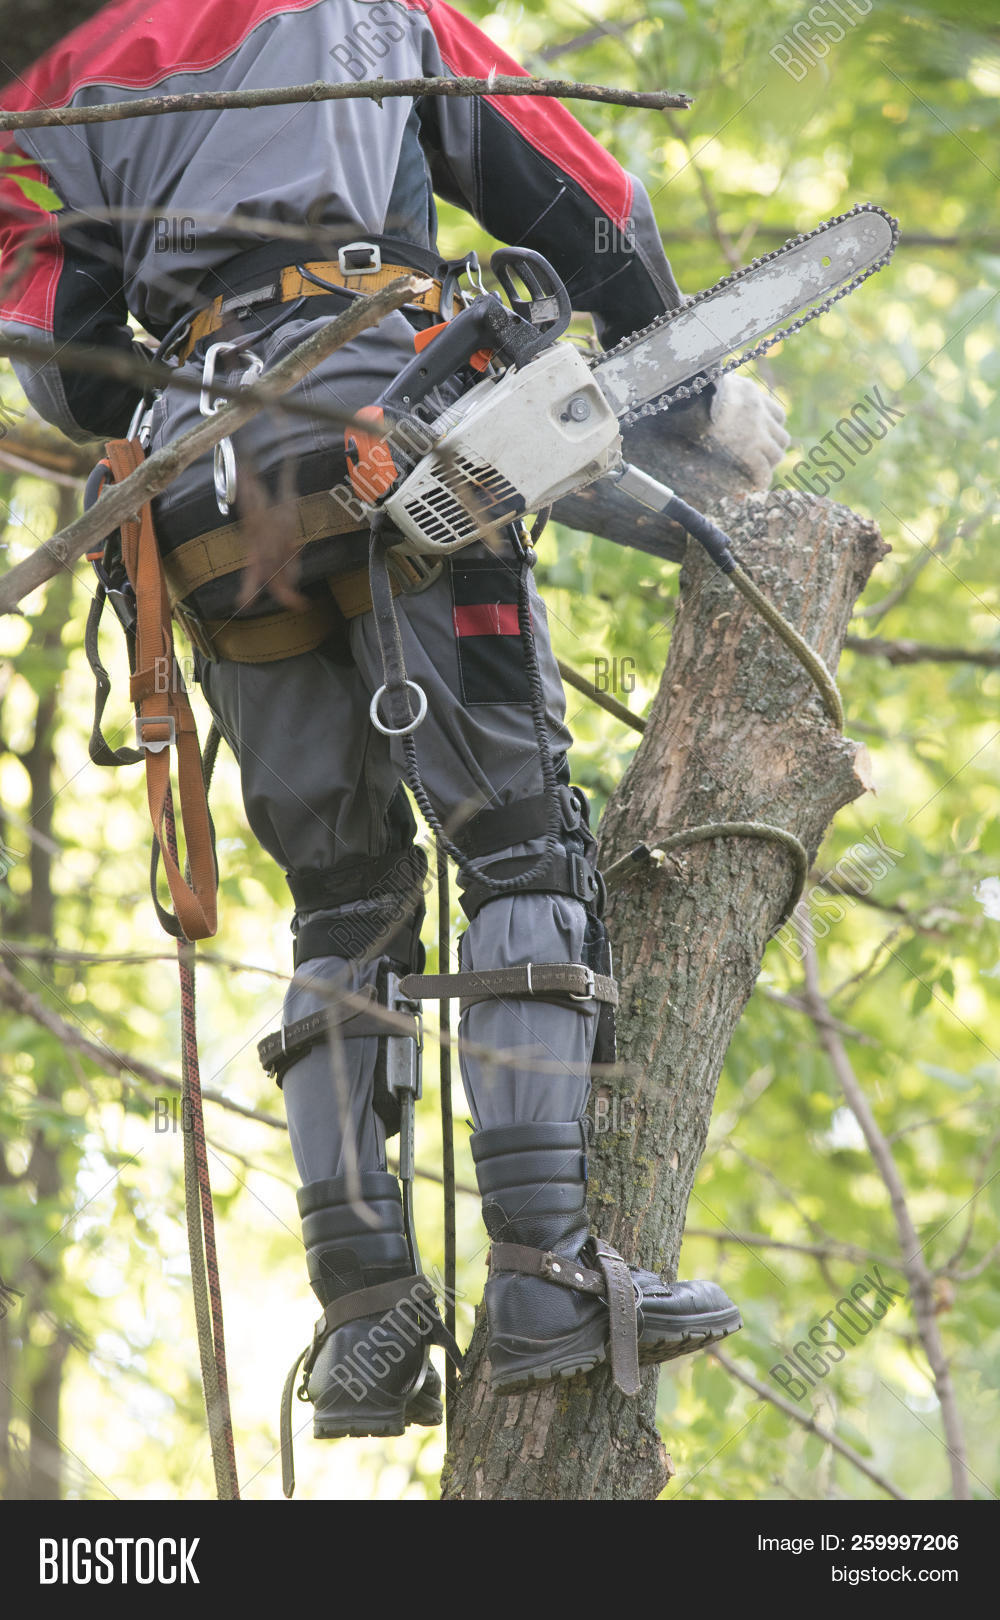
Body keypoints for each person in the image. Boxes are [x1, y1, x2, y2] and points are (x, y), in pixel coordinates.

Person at [1, 0, 786, 1443]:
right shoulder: (366, 5)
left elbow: (57, 360)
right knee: (512, 841)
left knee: (343, 894)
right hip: (399, 410)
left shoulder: (41, 92)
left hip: (197, 495)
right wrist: (681, 386)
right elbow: (585, 200)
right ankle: (548, 1277)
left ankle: (367, 1316)